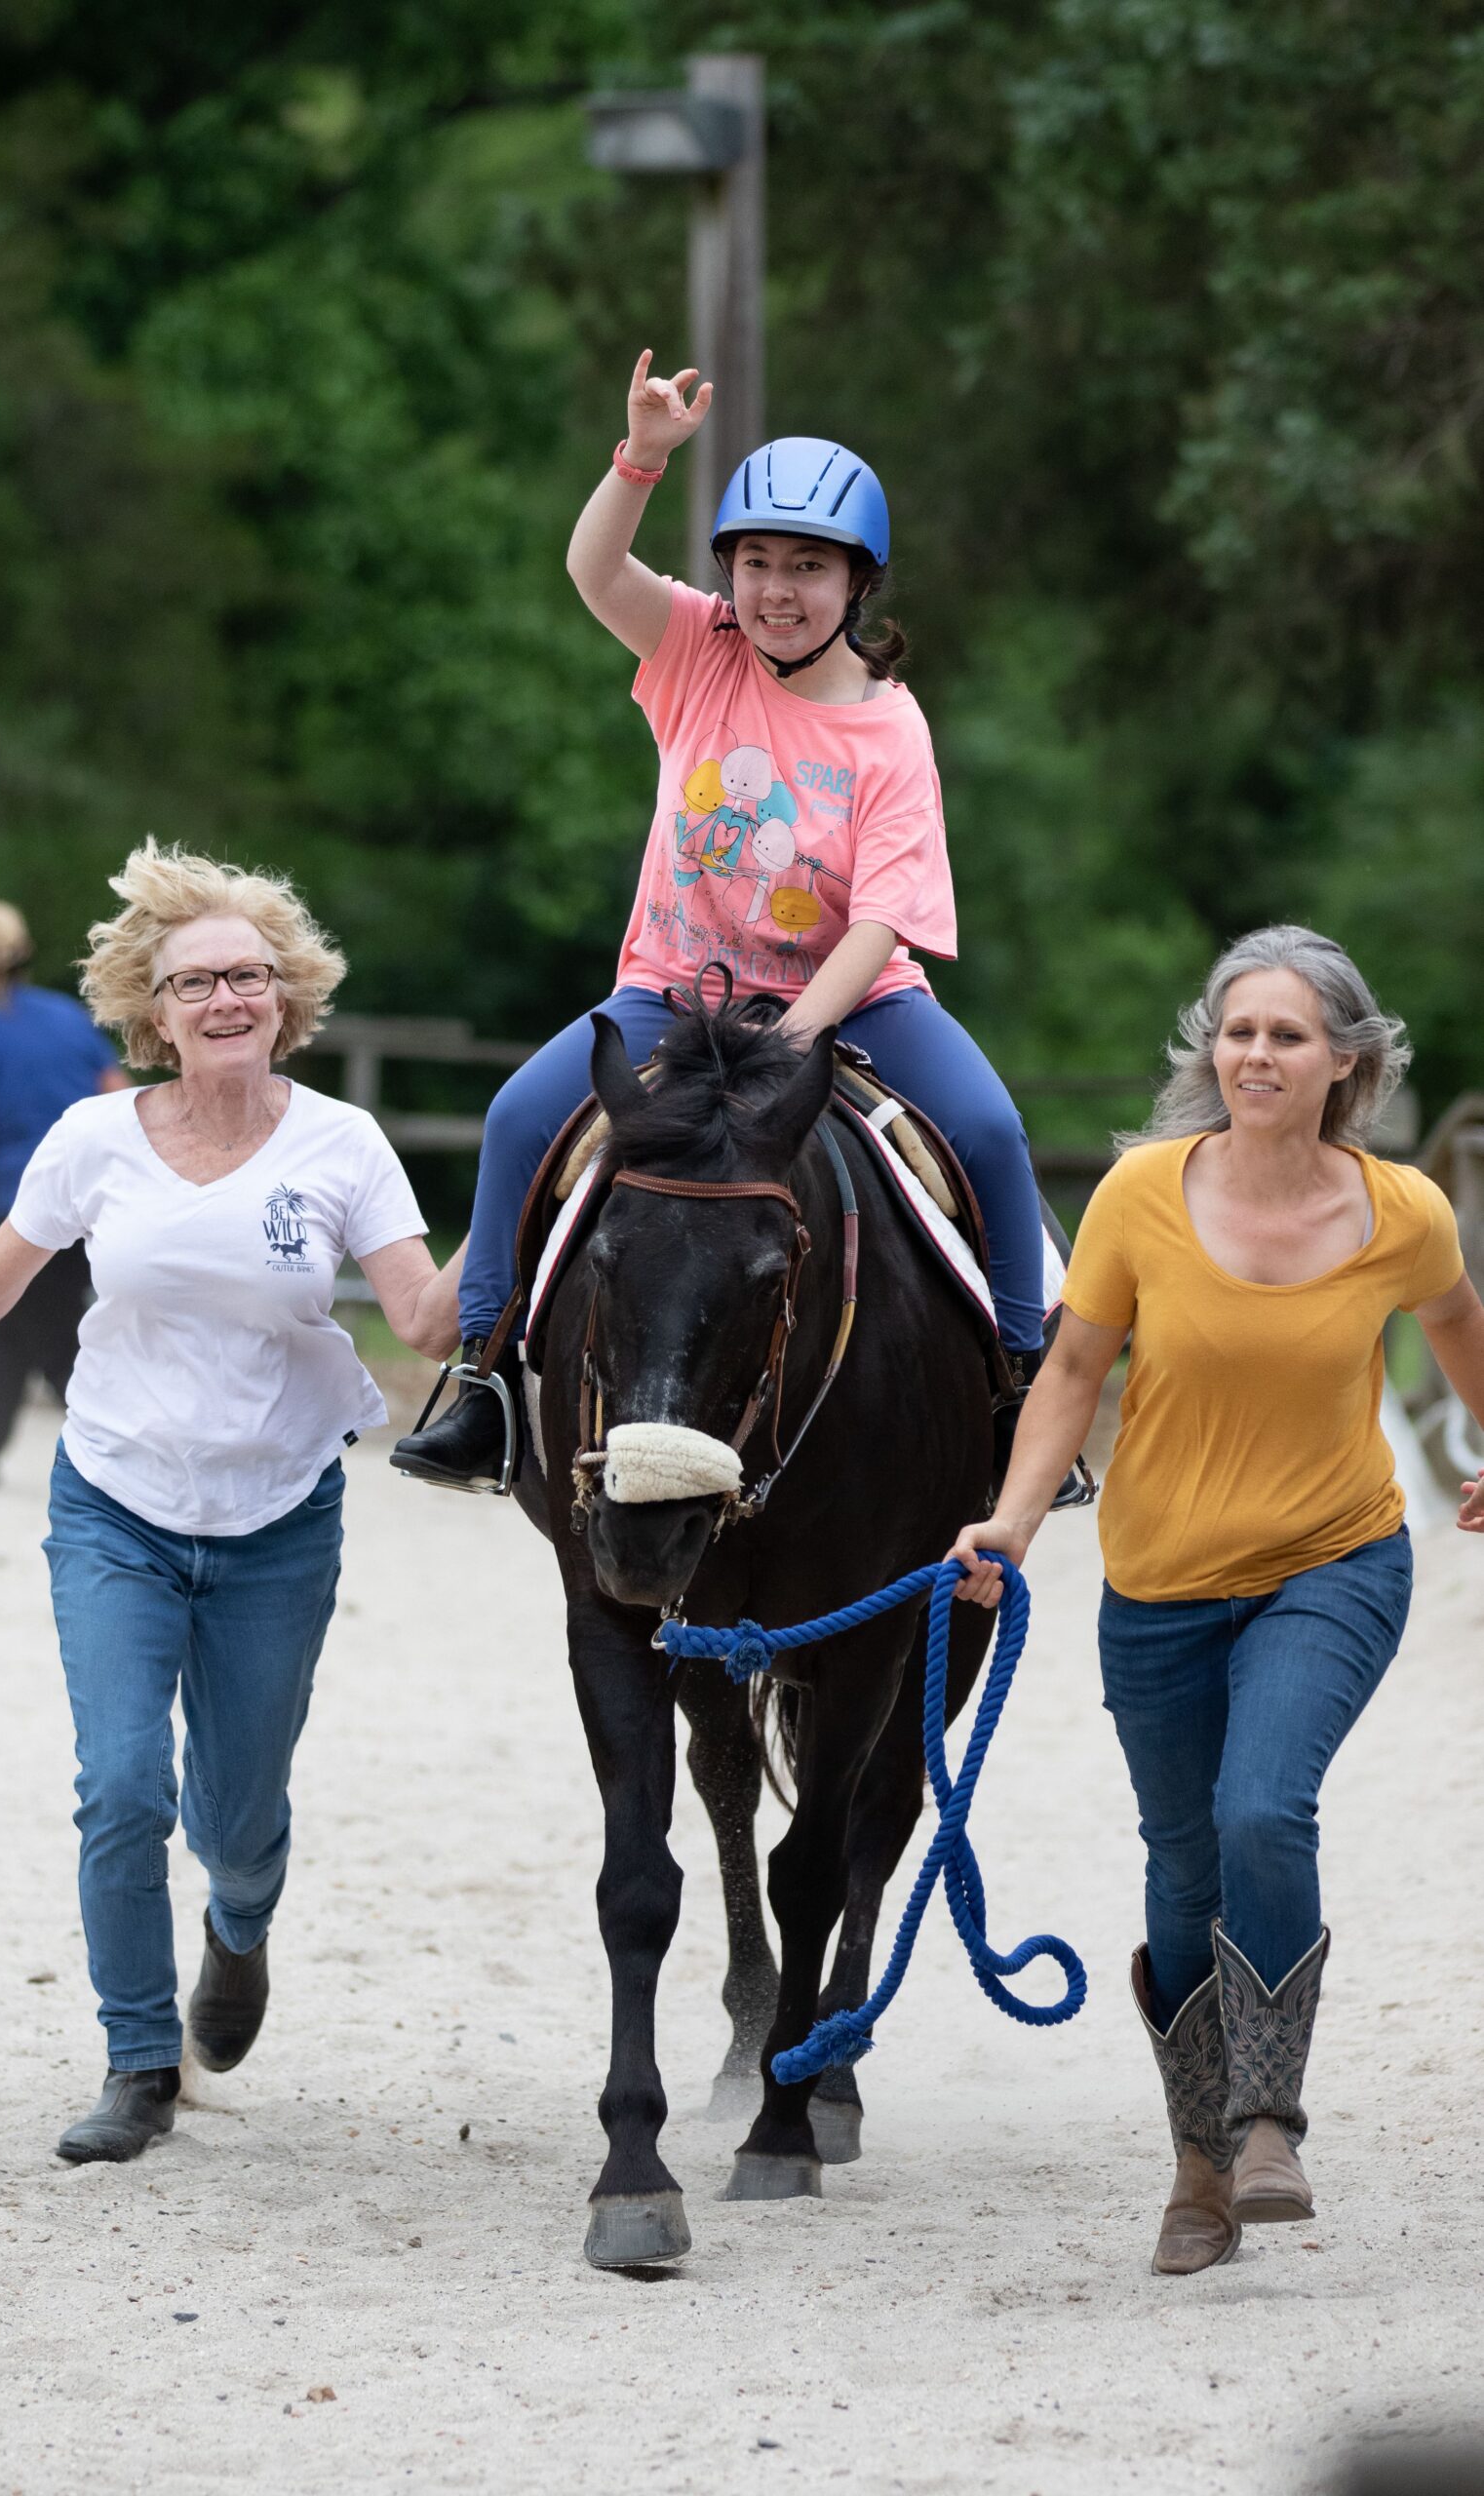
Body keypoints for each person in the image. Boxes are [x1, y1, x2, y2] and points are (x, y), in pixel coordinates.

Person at [0, 842, 464, 2164]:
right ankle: (136, 2061)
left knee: (235, 1816)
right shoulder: (95, 1139)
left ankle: (238, 1924)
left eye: (248, 977)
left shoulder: (344, 1145)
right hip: (112, 1501)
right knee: (120, 1785)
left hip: (279, 1515)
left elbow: (420, 1316)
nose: (225, 999)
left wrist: (522, 1193)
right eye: (194, 982)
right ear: (150, 1010)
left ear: (285, 998)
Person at [394, 352, 1054, 1490]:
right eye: (756, 562)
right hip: (674, 990)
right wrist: (643, 457)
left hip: (848, 1003)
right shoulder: (701, 652)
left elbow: (883, 920)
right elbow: (593, 570)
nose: (776, 589)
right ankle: (487, 1381)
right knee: (514, 1117)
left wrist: (794, 1041)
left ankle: (1016, 1388)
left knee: (992, 1135)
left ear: (860, 583)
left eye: (808, 566)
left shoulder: (891, 731)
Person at [947, 926, 1484, 2276]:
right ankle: (1196, 2169)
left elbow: (1457, 1323)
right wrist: (1013, 1520)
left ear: (1341, 1064)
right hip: (1158, 1583)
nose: (1254, 1054)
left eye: (1285, 1036)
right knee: (1181, 1869)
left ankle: (1265, 2124)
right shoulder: (1137, 1195)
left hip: (1334, 1561)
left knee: (1261, 1806)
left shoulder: (1397, 1209)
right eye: (1237, 1032)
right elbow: (1072, 1368)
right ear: (1211, 1048)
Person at [0, 898, 128, 1485]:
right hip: (100, 1197)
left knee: (55, 1340)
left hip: (29, 1209)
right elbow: (117, 1093)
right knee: (18, 1326)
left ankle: (126, 1455)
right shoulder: (69, 1016)